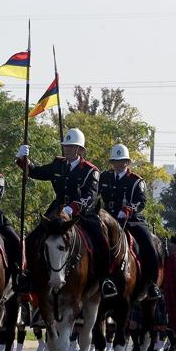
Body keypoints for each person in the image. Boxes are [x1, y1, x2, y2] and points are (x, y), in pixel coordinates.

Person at [15, 128, 117, 298]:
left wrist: (73, 208)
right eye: (66, 146)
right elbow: (36, 172)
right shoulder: (58, 164)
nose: (68, 149)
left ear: (80, 150)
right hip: (57, 211)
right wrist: (23, 160)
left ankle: (105, 279)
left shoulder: (91, 171)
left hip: (81, 214)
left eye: (72, 147)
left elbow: (90, 195)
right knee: (32, 238)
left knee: (101, 240)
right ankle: (30, 276)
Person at [99, 144, 162, 301]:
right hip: (108, 217)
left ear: (127, 162)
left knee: (149, 243)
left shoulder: (136, 181)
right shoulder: (105, 177)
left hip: (131, 220)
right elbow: (95, 194)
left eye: (122, 161)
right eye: (115, 161)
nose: (118, 164)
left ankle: (152, 283)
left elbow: (142, 201)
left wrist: (128, 210)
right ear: (112, 162)